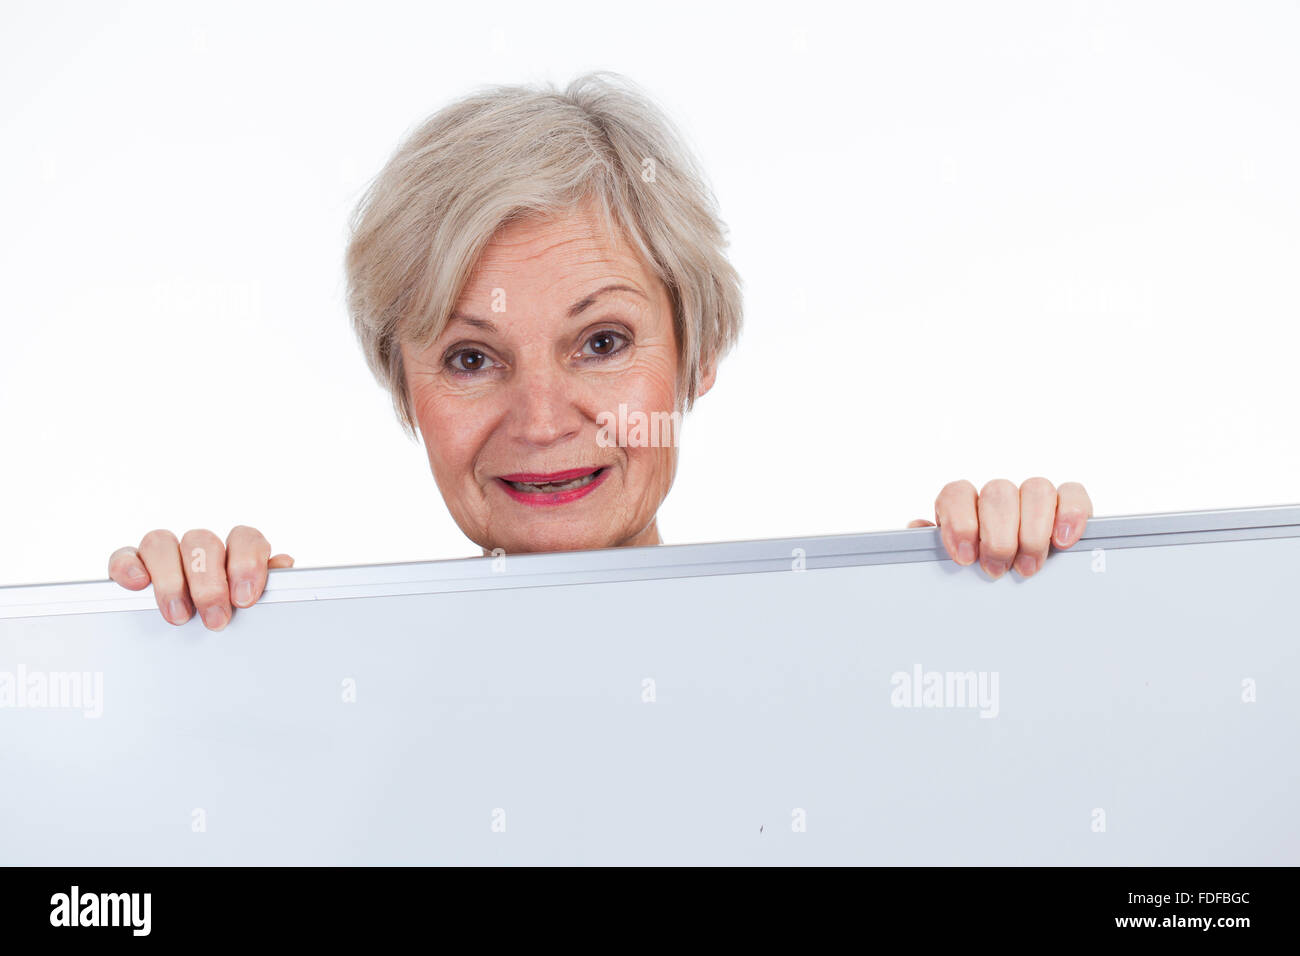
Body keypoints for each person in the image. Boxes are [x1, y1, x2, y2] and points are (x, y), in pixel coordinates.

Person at [107, 72, 1092, 631]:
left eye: (603, 341)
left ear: (695, 352)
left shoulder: (864, 654)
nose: (542, 418)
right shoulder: (328, 698)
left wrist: (1032, 613)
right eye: (468, 357)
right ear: (402, 387)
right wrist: (191, 673)